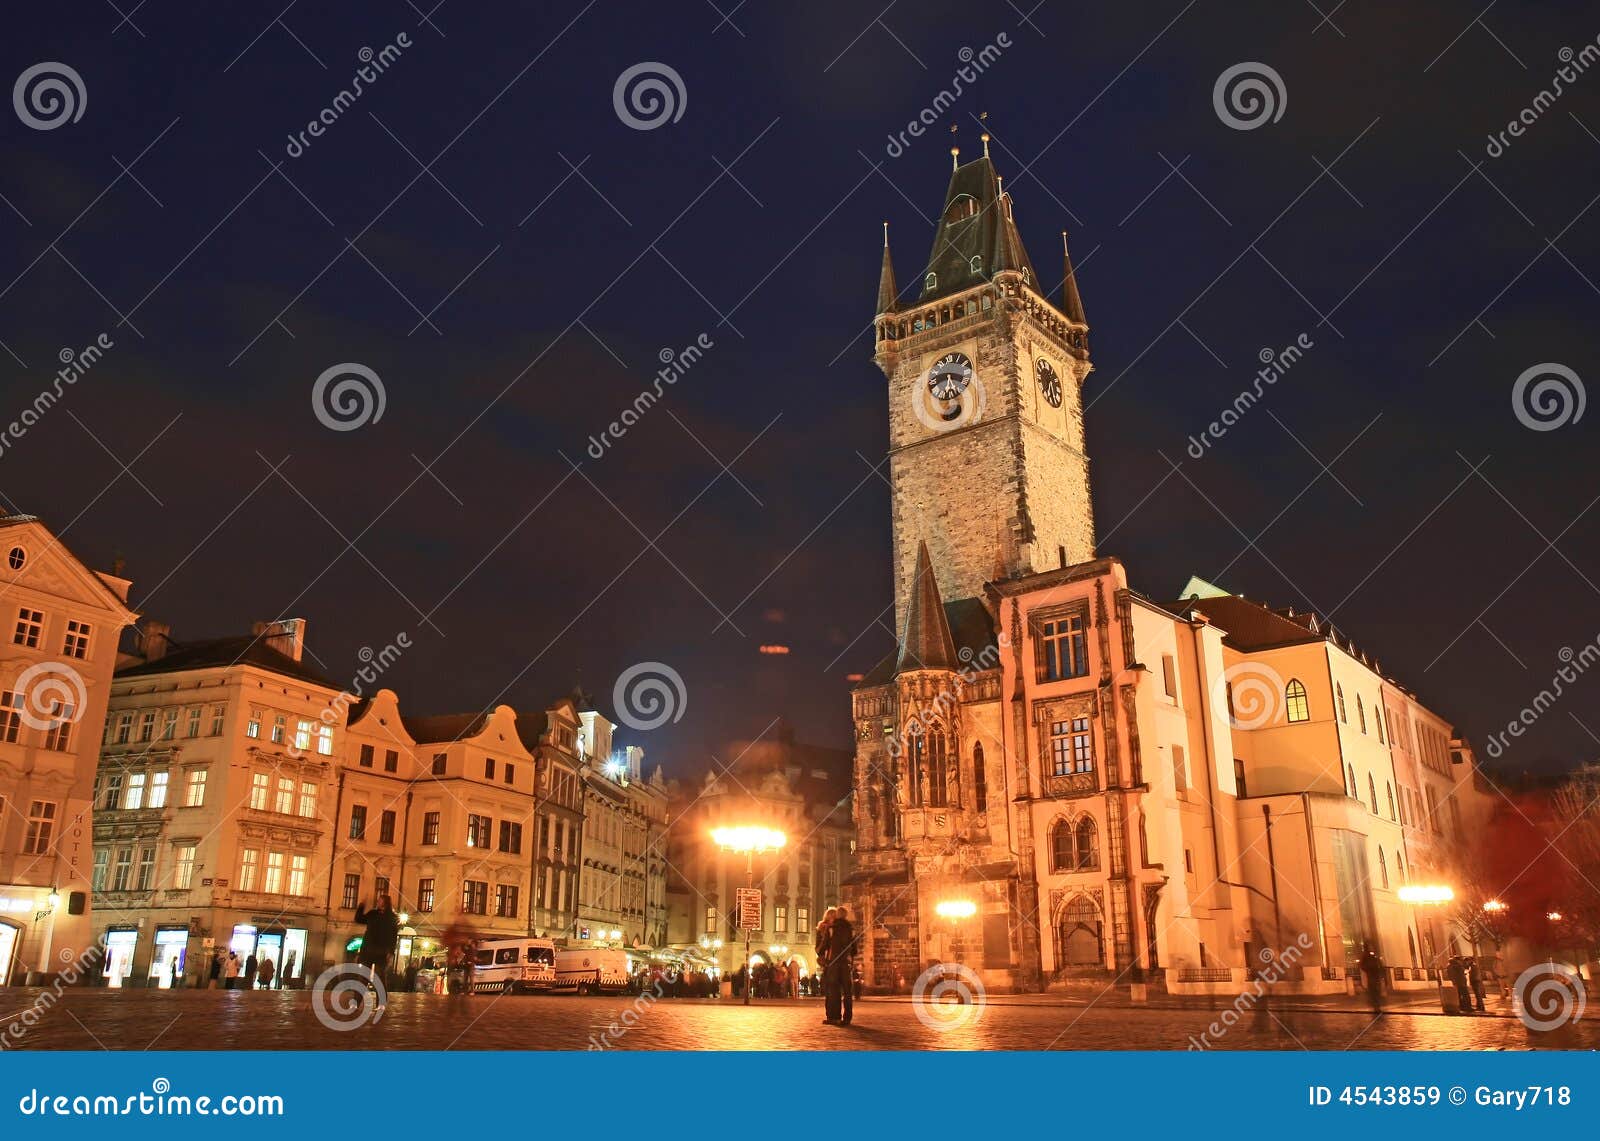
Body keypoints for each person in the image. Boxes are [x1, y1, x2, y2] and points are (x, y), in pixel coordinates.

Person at [353, 895, 400, 998]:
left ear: (385, 903)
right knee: (363, 977)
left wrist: (390, 951)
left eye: (380, 900)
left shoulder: (391, 917)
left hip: (381, 951)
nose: (377, 902)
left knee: (380, 977)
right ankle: (356, 1001)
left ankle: (382, 1001)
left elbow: (393, 936)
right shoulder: (373, 914)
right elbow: (359, 919)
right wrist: (361, 906)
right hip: (368, 950)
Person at [826, 905, 858, 1025]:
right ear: (845, 916)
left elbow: (825, 945)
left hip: (834, 963)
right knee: (847, 992)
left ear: (837, 915)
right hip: (845, 963)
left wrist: (823, 956)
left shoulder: (831, 929)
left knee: (835, 992)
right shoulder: (851, 930)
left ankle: (836, 1016)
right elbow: (855, 949)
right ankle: (847, 1017)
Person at [1358, 942, 1384, 1017]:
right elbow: (1362, 965)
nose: (1371, 948)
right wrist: (1368, 969)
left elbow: (1378, 963)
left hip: (1375, 975)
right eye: (1370, 946)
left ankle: (1377, 1006)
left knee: (1376, 991)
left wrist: (1379, 968)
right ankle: (1376, 1006)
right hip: (1371, 976)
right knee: (1373, 991)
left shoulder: (1373, 955)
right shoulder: (1365, 956)